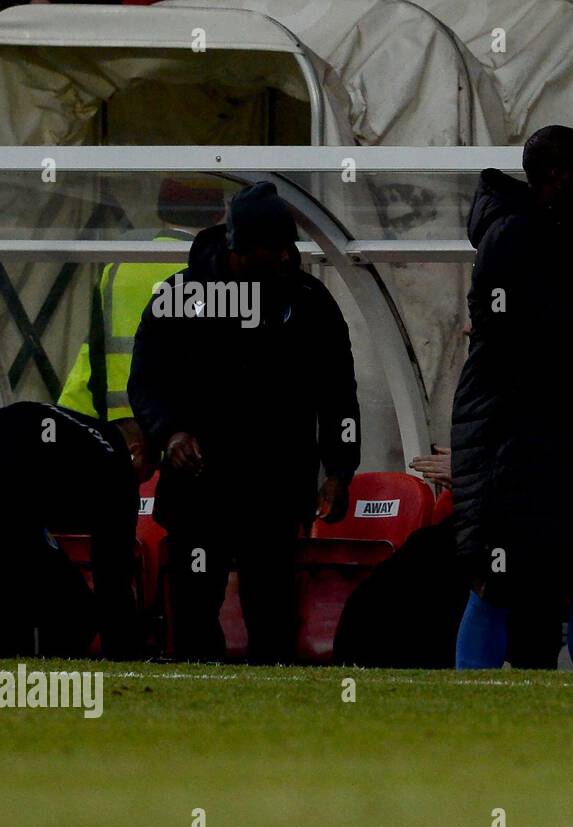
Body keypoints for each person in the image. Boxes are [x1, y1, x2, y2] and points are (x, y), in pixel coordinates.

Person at [128, 181, 360, 664]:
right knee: (193, 616)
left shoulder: (307, 300)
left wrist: (340, 470)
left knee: (272, 617)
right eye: (272, 250)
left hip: (275, 488)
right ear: (238, 249)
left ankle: (278, 723)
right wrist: (170, 433)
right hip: (198, 486)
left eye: (286, 248)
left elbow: (337, 393)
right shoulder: (179, 299)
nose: (284, 258)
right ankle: (192, 713)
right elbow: (147, 382)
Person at [450, 125, 573, 671]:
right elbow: (527, 341)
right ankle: (474, 706)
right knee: (501, 576)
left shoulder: (554, 228)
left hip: (559, 431)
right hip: (516, 435)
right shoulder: (519, 235)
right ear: (558, 177)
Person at [59, 178, 224, 421]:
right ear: (218, 216)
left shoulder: (117, 268)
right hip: (185, 438)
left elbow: (93, 356)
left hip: (125, 435)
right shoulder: (217, 274)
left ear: (160, 211)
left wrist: (67, 418)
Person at [0, 402, 156, 658]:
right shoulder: (116, 461)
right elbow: (113, 574)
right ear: (135, 451)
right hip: (12, 506)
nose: (136, 488)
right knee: (76, 612)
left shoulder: (74, 432)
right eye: (141, 478)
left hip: (15, 502)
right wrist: (129, 654)